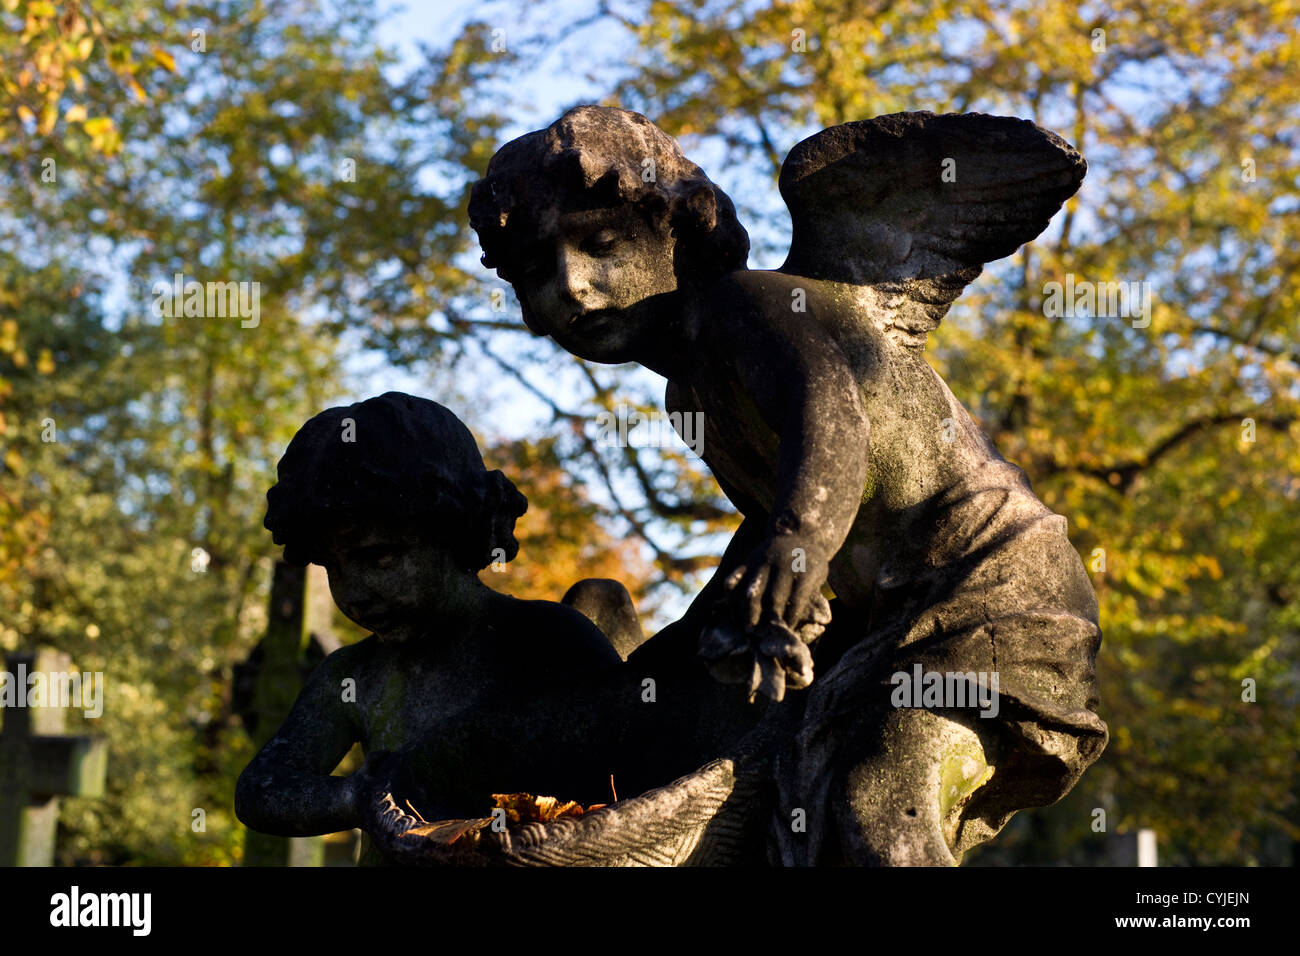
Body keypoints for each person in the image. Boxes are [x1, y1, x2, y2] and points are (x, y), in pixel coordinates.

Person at [468, 106, 1108, 863]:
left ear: (678, 228)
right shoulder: (689, 395)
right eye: (537, 271)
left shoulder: (752, 305)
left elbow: (828, 414)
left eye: (601, 245)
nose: (573, 286)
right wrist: (695, 639)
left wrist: (798, 539)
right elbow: (765, 523)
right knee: (787, 803)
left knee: (880, 807)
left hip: (992, 592)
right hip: (880, 626)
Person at [234, 392, 623, 856]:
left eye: (378, 556)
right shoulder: (353, 676)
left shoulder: (546, 641)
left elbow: (631, 771)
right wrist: (357, 797)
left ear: (455, 531)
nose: (354, 590)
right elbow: (261, 789)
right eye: (333, 566)